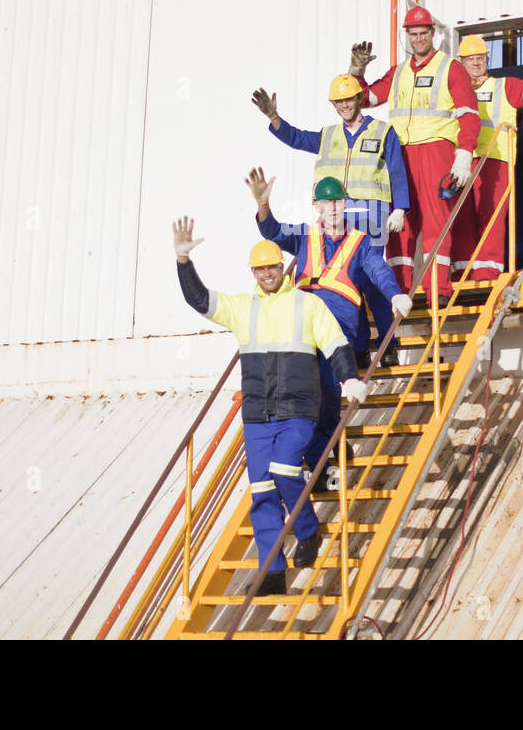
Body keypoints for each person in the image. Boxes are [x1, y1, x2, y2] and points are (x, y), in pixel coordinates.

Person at [173, 216, 368, 595]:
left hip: (298, 410)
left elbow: (335, 345)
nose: (267, 274)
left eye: (272, 267)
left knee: (283, 471)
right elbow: (200, 299)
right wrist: (183, 263)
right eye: (260, 269)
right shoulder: (241, 308)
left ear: (283, 268)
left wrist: (351, 379)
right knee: (261, 492)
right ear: (254, 272)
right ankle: (272, 572)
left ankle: (307, 530)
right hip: (258, 416)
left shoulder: (306, 305)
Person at [246, 168, 411, 473]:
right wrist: (263, 206)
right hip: (303, 322)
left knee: (323, 387)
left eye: (337, 201)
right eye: (326, 202)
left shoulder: (360, 242)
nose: (333, 207)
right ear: (317, 207)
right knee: (305, 391)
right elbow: (273, 232)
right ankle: (324, 450)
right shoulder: (305, 236)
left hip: (336, 327)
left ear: (345, 204)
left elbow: (378, 270)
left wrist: (395, 295)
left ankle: (323, 454)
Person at [251, 75, 410, 358]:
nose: (344, 106)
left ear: (360, 98)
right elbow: (297, 138)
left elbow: (397, 171)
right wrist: (274, 117)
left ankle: (388, 346)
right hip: (339, 215)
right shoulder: (329, 136)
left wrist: (400, 208)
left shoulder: (384, 132)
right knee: (346, 281)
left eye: (348, 99)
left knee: (370, 281)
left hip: (373, 215)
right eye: (338, 102)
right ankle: (358, 347)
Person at [349, 5, 480, 304]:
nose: (419, 39)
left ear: (433, 33)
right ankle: (397, 291)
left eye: (424, 33)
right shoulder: (398, 72)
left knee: (436, 220)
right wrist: (357, 71)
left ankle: (439, 290)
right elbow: (365, 98)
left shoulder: (451, 68)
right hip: (401, 154)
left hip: (437, 150)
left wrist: (464, 154)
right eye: (413, 34)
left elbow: (469, 114)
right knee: (400, 225)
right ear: (405, 35)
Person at [450, 31, 523, 281]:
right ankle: (463, 274)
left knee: (491, 219)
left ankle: (487, 273)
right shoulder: (451, 92)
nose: (476, 63)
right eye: (470, 59)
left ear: (488, 60)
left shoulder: (504, 86)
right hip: (461, 161)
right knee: (461, 219)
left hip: (495, 162)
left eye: (481, 58)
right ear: (461, 63)